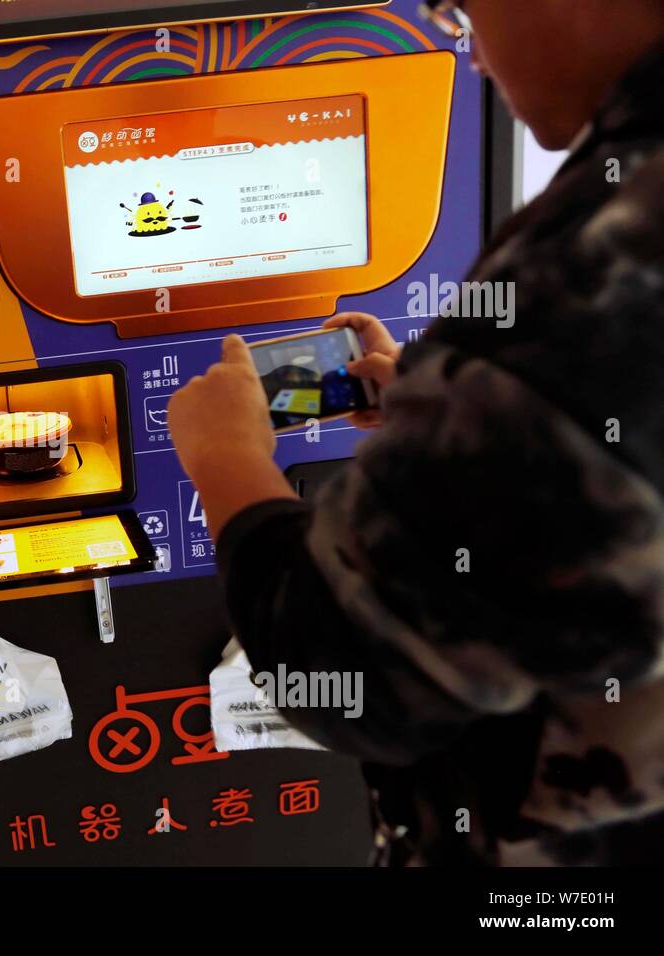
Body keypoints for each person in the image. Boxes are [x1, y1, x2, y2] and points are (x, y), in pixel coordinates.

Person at [169, 0, 664, 865]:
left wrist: (228, 460)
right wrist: (460, 428)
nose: (468, 52)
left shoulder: (596, 264)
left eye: (462, 8)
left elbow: (347, 678)